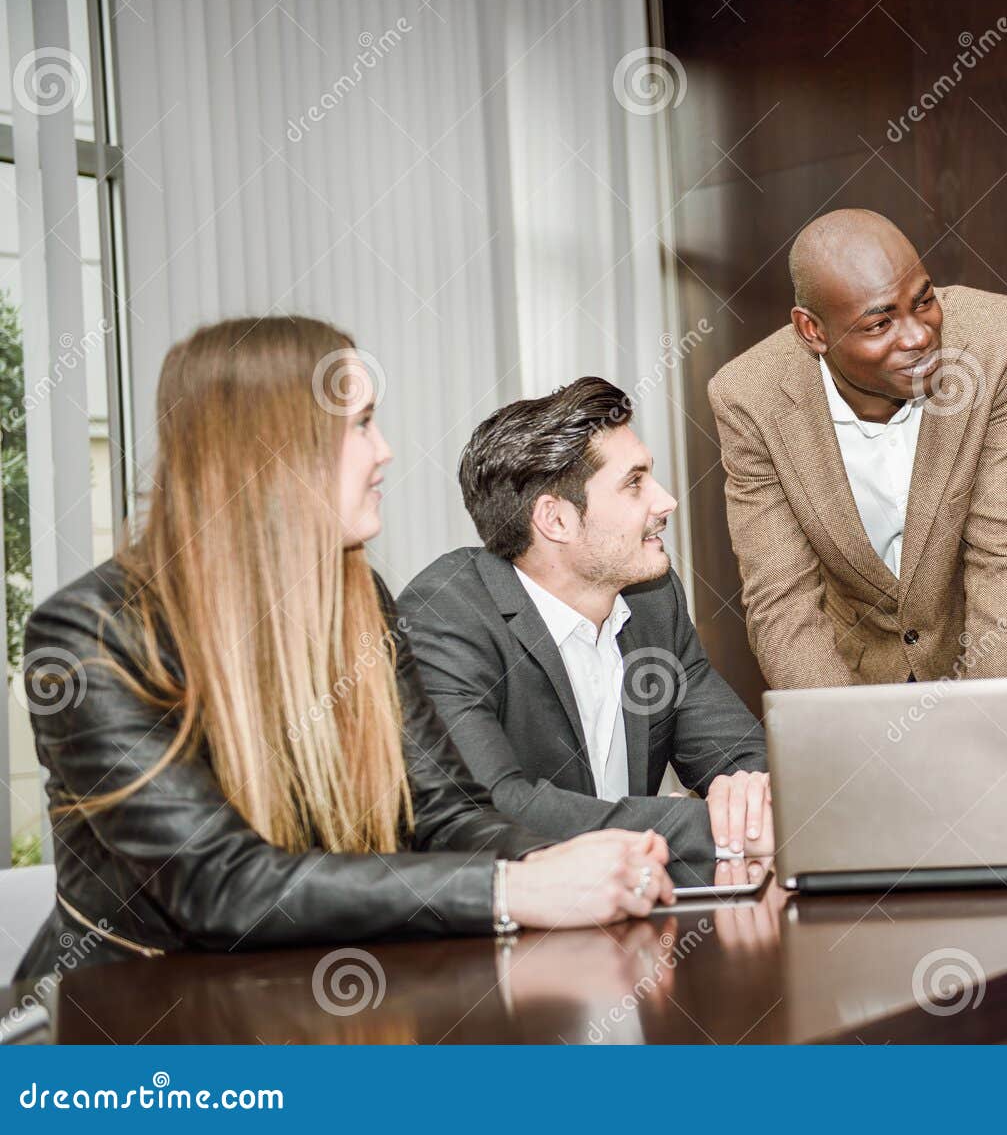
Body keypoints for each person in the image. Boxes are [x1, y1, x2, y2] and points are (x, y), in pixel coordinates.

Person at [13, 317, 673, 984]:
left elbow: (443, 816)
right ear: (273, 450)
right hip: (133, 1027)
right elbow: (222, 886)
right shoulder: (88, 636)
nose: (385, 450)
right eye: (360, 424)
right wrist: (512, 891)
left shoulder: (360, 598)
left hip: (311, 999)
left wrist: (562, 867)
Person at [709, 207, 1007, 811]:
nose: (918, 335)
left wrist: (989, 765)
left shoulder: (1005, 343)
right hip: (851, 700)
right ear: (812, 331)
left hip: (993, 687)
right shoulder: (751, 398)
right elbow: (782, 602)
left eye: (923, 301)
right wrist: (870, 772)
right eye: (878, 323)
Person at [399, 379, 769, 862]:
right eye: (634, 483)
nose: (666, 502)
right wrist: (698, 826)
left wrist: (748, 798)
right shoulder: (446, 613)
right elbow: (489, 806)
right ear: (556, 520)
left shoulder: (655, 599)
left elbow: (743, 758)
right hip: (510, 926)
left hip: (638, 913)